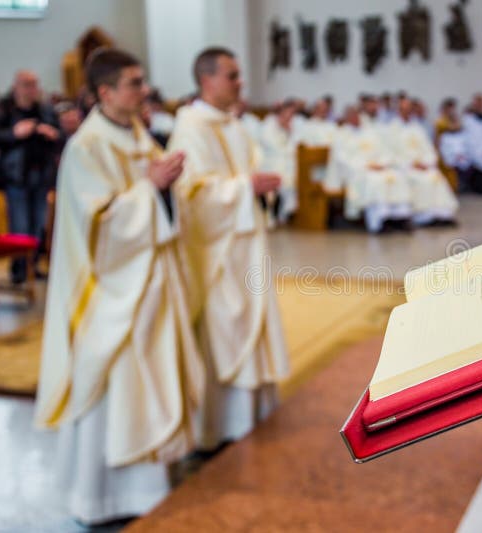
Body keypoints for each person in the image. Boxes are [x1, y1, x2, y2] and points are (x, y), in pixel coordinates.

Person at [34, 48, 204, 525]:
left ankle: (150, 486)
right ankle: (102, 497)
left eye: (143, 81)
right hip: (111, 291)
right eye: (134, 83)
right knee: (116, 382)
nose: (144, 90)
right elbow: (97, 222)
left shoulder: (136, 135)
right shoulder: (87, 146)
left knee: (150, 376)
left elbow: (152, 200)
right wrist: (150, 189)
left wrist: (166, 187)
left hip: (150, 282)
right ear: (105, 92)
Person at [168, 47, 290, 452]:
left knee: (251, 324)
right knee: (223, 330)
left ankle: (253, 415)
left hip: (247, 243)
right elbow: (190, 195)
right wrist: (244, 189)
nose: (240, 83)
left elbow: (244, 174)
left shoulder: (236, 126)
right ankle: (219, 427)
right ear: (207, 81)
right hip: (215, 253)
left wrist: (258, 188)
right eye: (232, 76)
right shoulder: (191, 128)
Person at [0, 70, 63, 281]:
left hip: (41, 175)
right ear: (16, 86)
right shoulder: (4, 109)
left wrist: (52, 133)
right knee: (20, 225)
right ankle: (19, 269)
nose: (31, 89)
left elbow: (60, 135)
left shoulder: (44, 109)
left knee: (38, 225)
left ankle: (33, 267)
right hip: (16, 176)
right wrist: (14, 133)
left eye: (34, 84)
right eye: (26, 84)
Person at [326, 106, 412, 232]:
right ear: (347, 118)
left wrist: (381, 163)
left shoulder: (369, 133)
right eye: (353, 116)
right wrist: (366, 166)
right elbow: (341, 159)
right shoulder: (341, 134)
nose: (356, 119)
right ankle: (377, 223)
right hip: (358, 171)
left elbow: (384, 151)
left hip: (377, 168)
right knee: (374, 181)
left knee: (396, 176)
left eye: (358, 116)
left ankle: (399, 218)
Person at [384, 96, 459, 226]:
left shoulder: (417, 128)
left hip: (423, 166)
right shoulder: (391, 129)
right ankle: (421, 217)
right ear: (398, 110)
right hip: (406, 167)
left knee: (435, 177)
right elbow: (390, 153)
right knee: (420, 180)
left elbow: (428, 149)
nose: (407, 112)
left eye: (409, 109)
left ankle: (440, 214)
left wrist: (427, 163)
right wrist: (411, 164)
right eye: (403, 109)